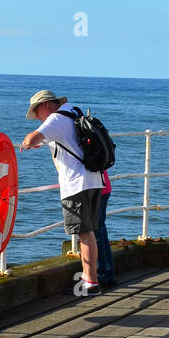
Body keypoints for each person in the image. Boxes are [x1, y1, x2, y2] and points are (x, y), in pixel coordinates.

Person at [20, 89, 104, 296]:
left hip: (76, 183)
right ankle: (88, 278)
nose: (37, 118)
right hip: (93, 179)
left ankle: (91, 282)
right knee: (89, 231)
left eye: (37, 112)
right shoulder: (73, 113)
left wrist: (27, 142)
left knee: (84, 232)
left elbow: (31, 139)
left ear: (46, 105)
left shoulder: (55, 119)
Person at [95, 168, 117, 288]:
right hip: (104, 184)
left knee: (94, 232)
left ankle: (100, 275)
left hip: (93, 188)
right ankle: (109, 274)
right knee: (100, 231)